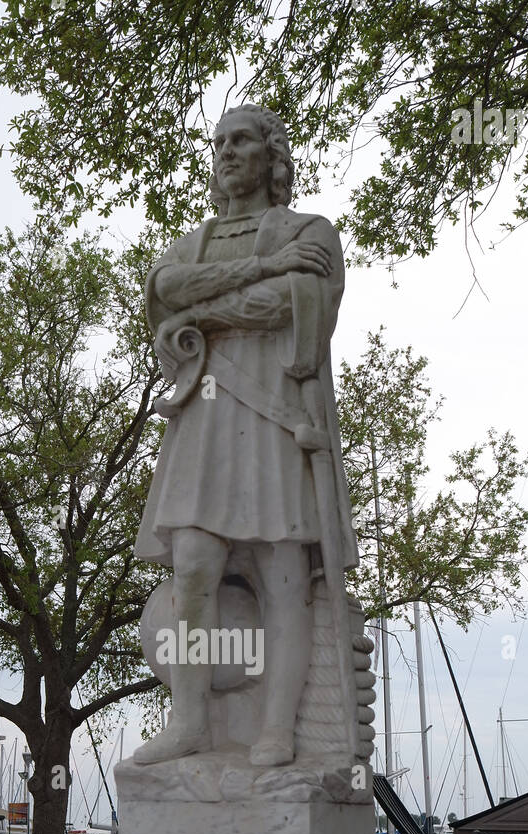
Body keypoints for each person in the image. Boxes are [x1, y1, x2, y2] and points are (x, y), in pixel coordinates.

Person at [133, 103, 356, 768]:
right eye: (218, 142)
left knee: (281, 574)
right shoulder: (192, 242)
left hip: (275, 417)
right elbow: (164, 290)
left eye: (241, 141)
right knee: (193, 568)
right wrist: (254, 273)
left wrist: (204, 309)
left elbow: (289, 303)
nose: (226, 152)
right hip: (202, 422)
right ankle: (192, 721)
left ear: (272, 155)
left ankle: (276, 730)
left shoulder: (310, 231)